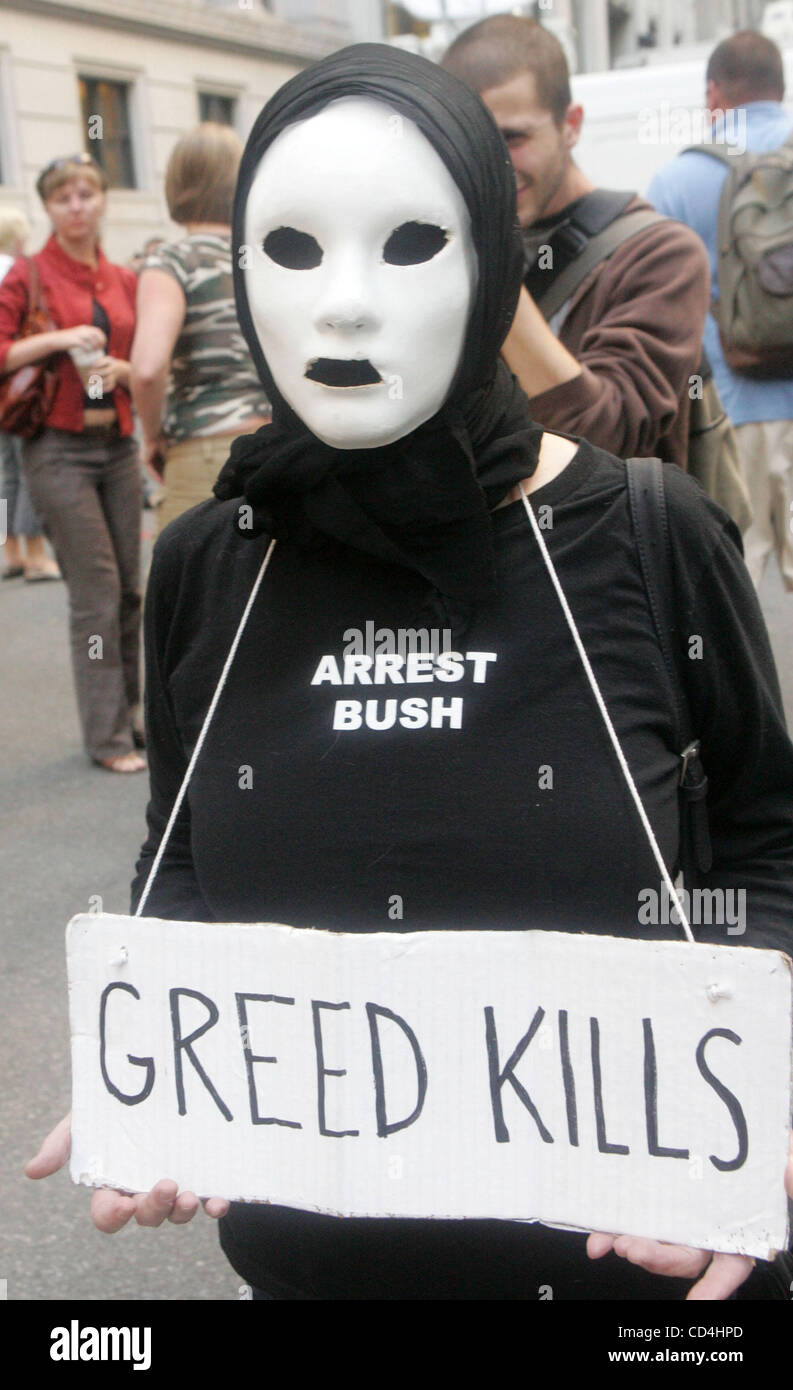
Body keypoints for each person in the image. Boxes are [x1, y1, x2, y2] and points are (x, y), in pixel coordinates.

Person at [27, 48, 793, 1300]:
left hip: (644, 1290)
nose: (341, 306)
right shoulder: (210, 565)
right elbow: (181, 864)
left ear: (491, 261)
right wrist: (153, 1077)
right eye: (293, 248)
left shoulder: (651, 537)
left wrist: (765, 1102)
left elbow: (767, 849)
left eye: (406, 243)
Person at [441, 14, 710, 468]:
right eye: (474, 142)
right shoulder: (442, 249)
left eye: (513, 137)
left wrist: (494, 270)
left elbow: (606, 437)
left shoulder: (662, 253)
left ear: (572, 124)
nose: (495, 166)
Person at [0, 153, 145, 772]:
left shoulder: (123, 277)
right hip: (57, 447)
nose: (77, 206)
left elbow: (148, 361)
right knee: (97, 592)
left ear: (103, 200)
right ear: (49, 208)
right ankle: (106, 736)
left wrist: (126, 371)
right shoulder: (28, 274)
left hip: (118, 442)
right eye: (64, 198)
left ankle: (134, 717)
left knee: (132, 593)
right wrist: (59, 339)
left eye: (87, 194)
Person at [648, 30, 793, 591]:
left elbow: (660, 308)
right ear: (780, 87)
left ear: (714, 93)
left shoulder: (677, 179)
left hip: (731, 411)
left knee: (737, 583)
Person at [130, 123, 271, 535]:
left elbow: (147, 369)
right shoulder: (267, 258)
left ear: (177, 184)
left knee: (185, 591)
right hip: (277, 444)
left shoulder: (173, 261)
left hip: (207, 448)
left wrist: (153, 436)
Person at [0, 208, 60, 582]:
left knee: (4, 474)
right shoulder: (17, 271)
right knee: (29, 469)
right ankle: (36, 552)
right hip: (18, 382)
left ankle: (9, 551)